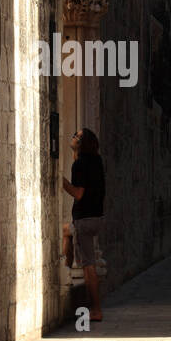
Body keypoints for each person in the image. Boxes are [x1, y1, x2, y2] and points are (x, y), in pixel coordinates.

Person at [62, 127, 105, 322]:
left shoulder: (80, 164)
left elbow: (78, 193)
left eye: (77, 136)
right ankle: (66, 272)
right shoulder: (96, 161)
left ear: (83, 143)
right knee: (66, 231)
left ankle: (95, 309)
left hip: (84, 219)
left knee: (88, 266)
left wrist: (61, 182)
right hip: (96, 218)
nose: (73, 137)